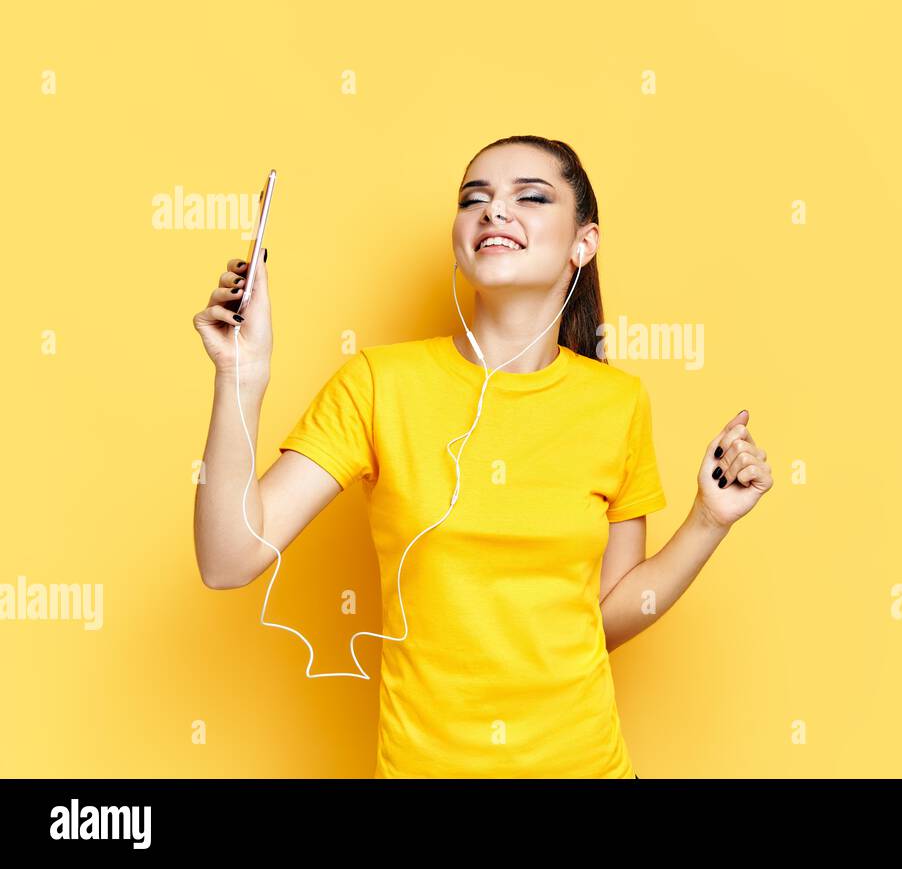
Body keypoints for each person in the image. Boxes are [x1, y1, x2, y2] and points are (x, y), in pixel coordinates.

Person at [191, 135, 774, 777]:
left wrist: (708, 521)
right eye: (475, 199)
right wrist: (241, 378)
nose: (494, 211)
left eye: (529, 196)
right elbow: (228, 558)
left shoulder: (617, 403)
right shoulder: (378, 385)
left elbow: (602, 619)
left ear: (584, 242)